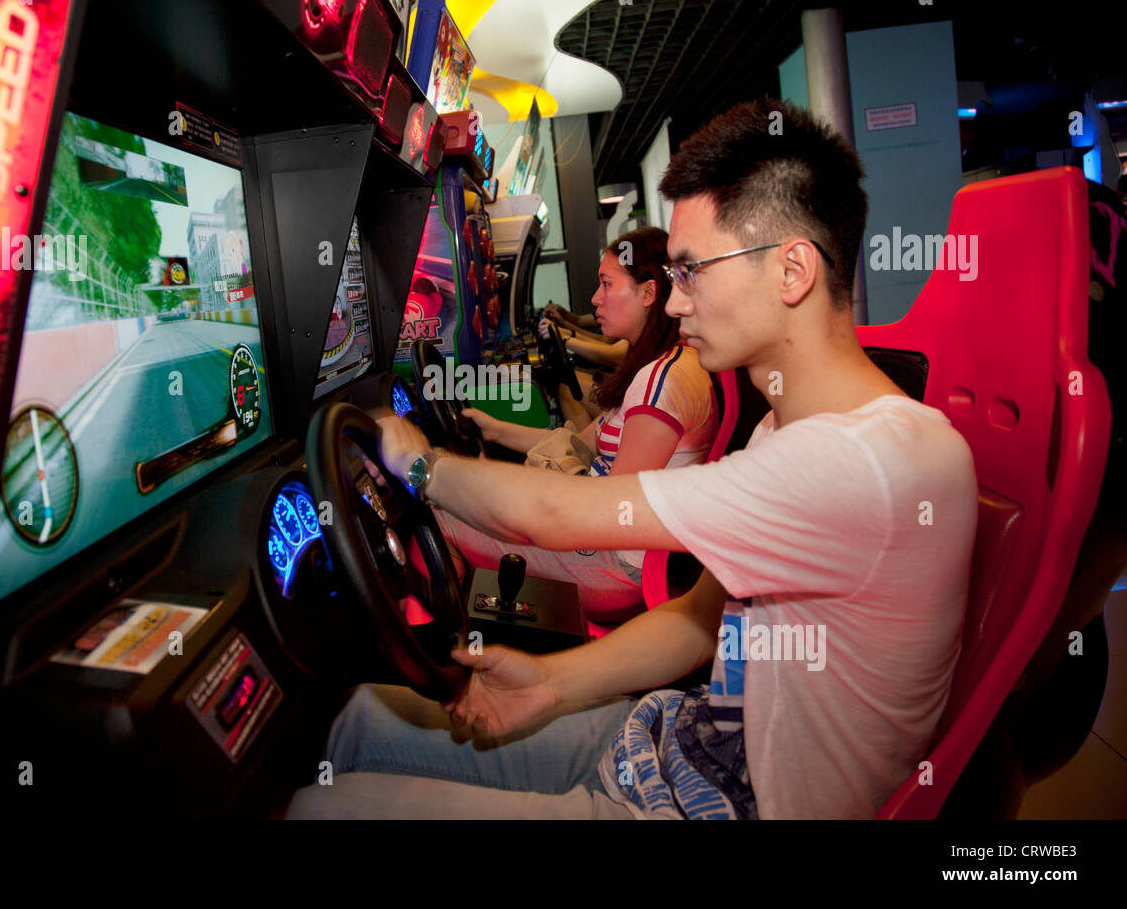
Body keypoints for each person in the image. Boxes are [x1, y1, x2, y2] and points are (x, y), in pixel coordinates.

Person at [287, 98, 977, 820]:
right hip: (679, 743)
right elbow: (701, 617)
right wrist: (550, 684)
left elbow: (563, 514)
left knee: (319, 811)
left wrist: (421, 466)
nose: (673, 305)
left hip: (713, 807)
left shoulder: (861, 463)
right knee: (357, 717)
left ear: (791, 269)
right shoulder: (791, 428)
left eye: (691, 272)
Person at [445, 226, 718, 623]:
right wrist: (491, 429)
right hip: (605, 547)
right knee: (471, 499)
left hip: (616, 569)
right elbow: (576, 443)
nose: (595, 299)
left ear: (647, 292)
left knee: (443, 514)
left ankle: (443, 648)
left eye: (607, 284)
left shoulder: (664, 379)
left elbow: (611, 510)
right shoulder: (652, 367)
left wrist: (506, 495)